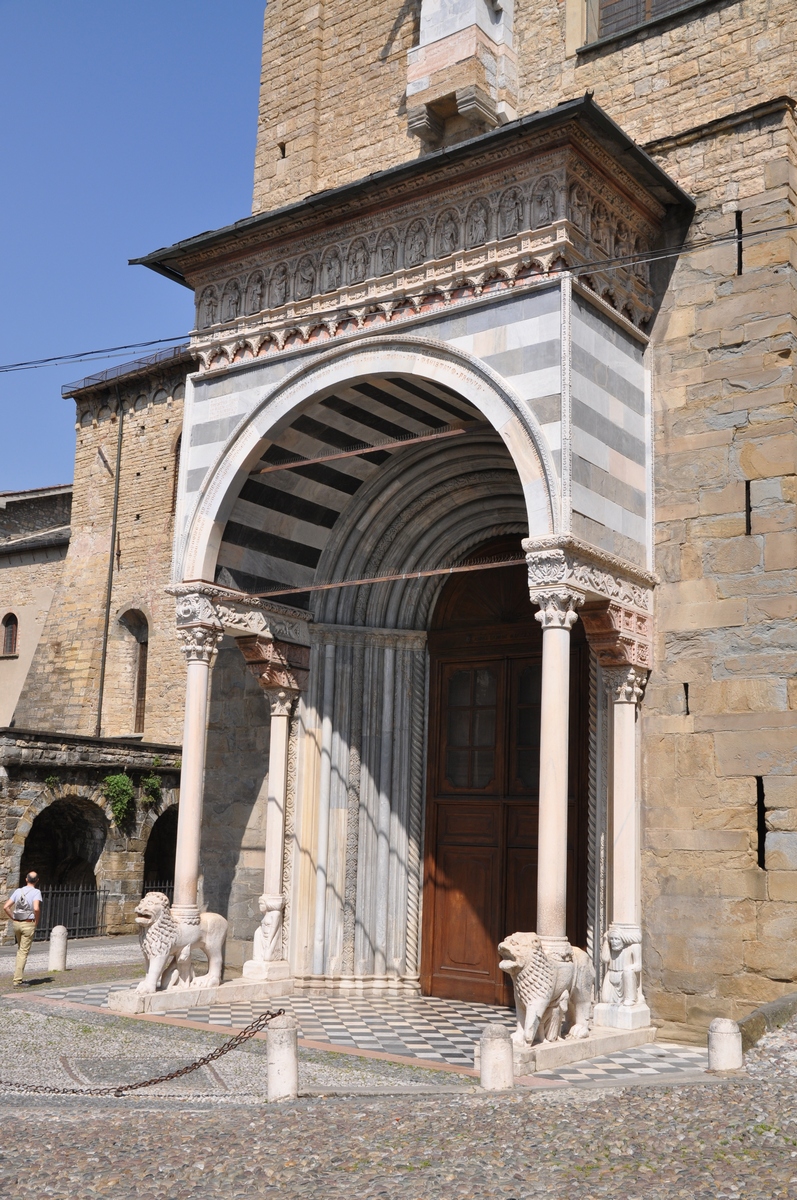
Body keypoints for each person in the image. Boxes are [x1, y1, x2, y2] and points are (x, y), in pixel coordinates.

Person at [3, 872, 42, 986]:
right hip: (28, 923)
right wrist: (37, 921)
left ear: (26, 879)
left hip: (17, 923)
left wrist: (13, 917)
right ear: (37, 880)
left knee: (20, 950)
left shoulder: (18, 891)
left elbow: (6, 907)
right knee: (23, 952)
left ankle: (17, 977)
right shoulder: (36, 892)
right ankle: (17, 980)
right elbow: (36, 908)